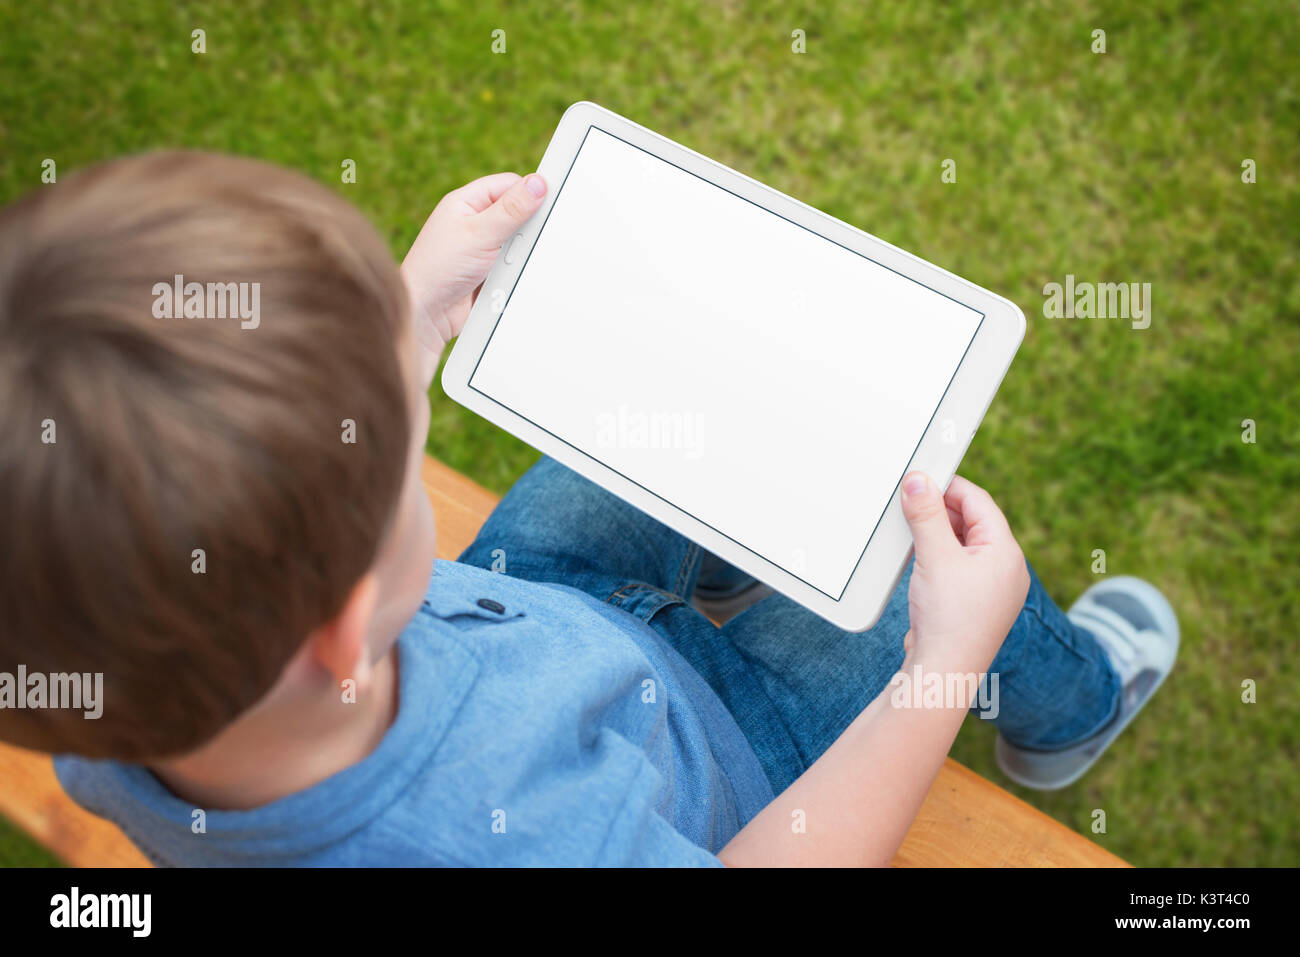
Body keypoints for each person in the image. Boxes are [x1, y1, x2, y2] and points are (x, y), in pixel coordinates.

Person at [0, 152, 1178, 866]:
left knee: (679, 433)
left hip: (531, 617)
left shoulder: (109, 710)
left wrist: (410, 316)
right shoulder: (505, 840)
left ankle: (713, 573)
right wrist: (940, 666)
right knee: (927, 579)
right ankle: (1068, 708)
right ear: (344, 617)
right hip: (720, 750)